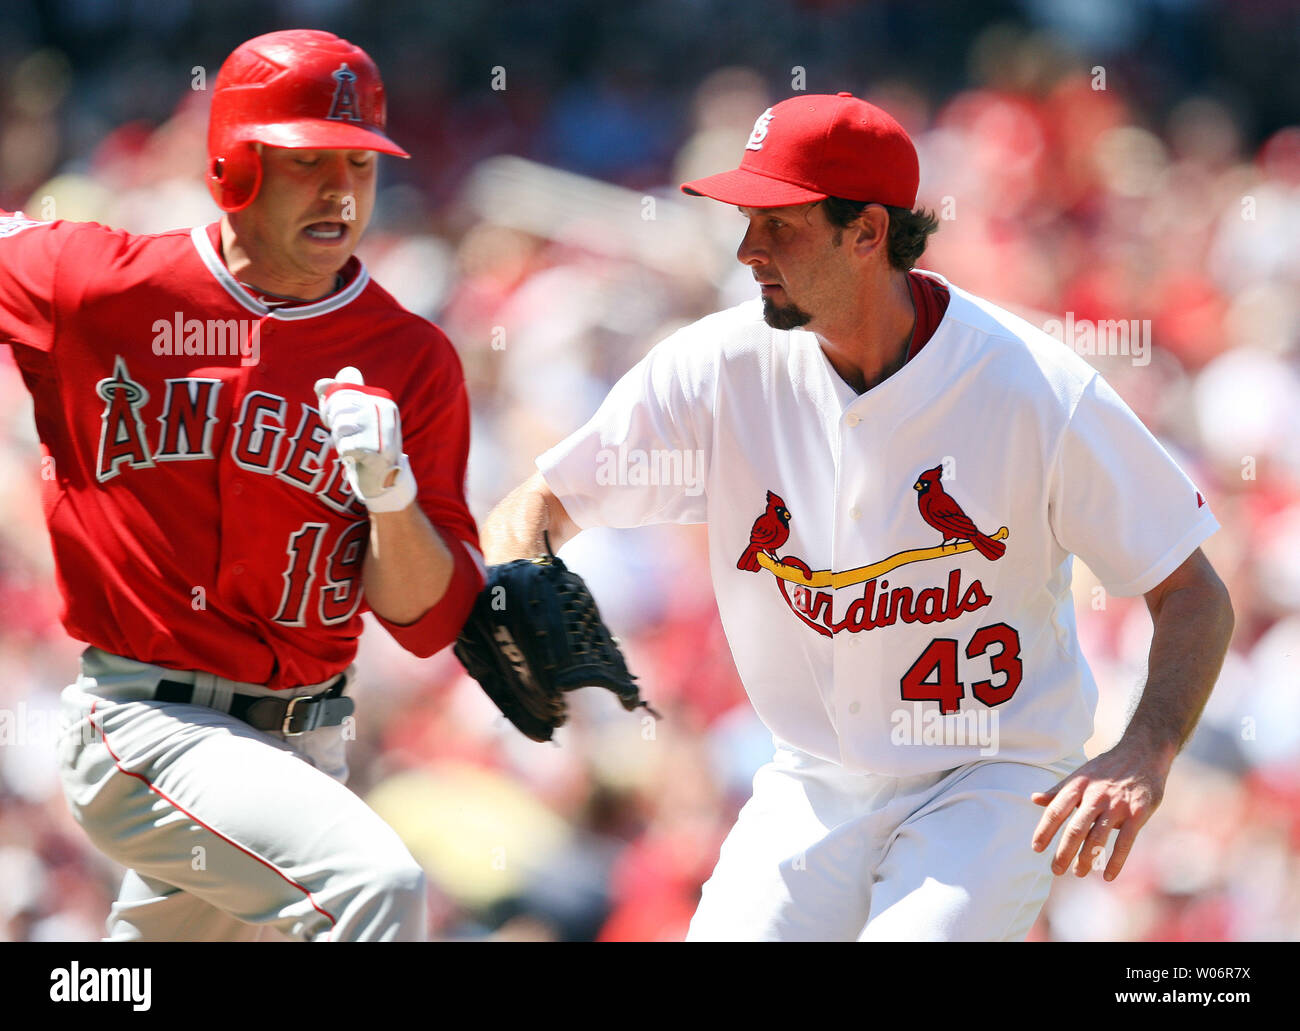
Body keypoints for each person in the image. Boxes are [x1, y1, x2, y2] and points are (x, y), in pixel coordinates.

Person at [480, 92, 1235, 941]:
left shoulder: (1034, 386)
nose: (747, 249)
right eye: (747, 221)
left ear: (868, 231)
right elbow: (539, 503)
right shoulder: (717, 367)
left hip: (992, 776)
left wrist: (1146, 746)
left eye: (778, 224)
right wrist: (514, 587)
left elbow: (1194, 592)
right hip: (813, 779)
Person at [0, 30, 485, 941]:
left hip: (303, 750)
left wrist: (391, 498)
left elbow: (427, 621)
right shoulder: (97, 284)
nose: (342, 191)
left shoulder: (412, 357)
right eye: (309, 161)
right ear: (234, 168)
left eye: (360, 162)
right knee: (374, 884)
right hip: (148, 724)